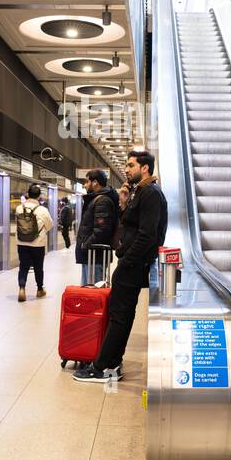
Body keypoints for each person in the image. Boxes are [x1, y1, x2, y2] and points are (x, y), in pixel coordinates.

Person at [74, 150, 167, 383]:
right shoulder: (142, 192)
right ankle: (111, 362)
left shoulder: (151, 194)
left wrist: (126, 261)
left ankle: (102, 367)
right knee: (121, 314)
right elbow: (133, 226)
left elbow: (147, 235)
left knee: (120, 315)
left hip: (133, 265)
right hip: (131, 263)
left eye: (130, 165)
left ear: (144, 168)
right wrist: (124, 203)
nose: (126, 169)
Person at [75, 169, 118, 284]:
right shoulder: (96, 199)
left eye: (86, 182)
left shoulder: (103, 201)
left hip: (95, 256)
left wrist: (86, 244)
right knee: (88, 292)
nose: (84, 185)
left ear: (95, 183)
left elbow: (102, 230)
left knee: (93, 292)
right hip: (91, 255)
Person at [15, 183, 54, 302]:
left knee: (23, 266)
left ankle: (22, 288)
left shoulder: (19, 208)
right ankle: (39, 289)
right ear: (39, 196)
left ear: (28, 194)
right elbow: (50, 225)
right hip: (37, 244)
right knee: (38, 267)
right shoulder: (42, 210)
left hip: (22, 242)